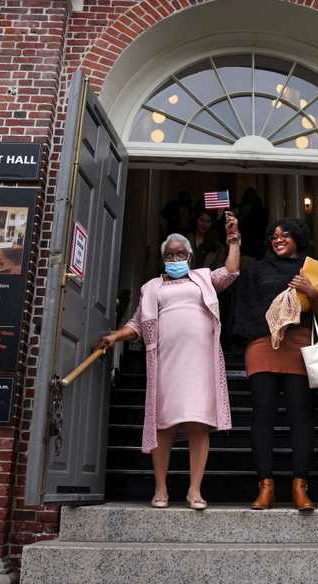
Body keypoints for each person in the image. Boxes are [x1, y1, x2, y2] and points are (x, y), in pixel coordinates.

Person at [95, 213, 241, 510]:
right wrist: (115, 337)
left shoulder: (203, 278)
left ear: (190, 255)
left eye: (180, 253)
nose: (175, 257)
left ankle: (194, 490)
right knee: (163, 425)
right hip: (166, 363)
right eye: (169, 254)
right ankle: (161, 489)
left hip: (200, 363)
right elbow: (136, 324)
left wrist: (234, 240)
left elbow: (231, 272)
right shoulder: (151, 288)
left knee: (199, 423)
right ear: (163, 258)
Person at [232, 218, 318, 512]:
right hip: (262, 345)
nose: (278, 239)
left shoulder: (310, 270)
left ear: (298, 238)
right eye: (274, 236)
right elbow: (244, 306)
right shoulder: (256, 270)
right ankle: (266, 487)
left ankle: (300, 487)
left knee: (301, 418)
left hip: (299, 345)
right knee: (263, 418)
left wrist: (311, 292)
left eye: (285, 234)